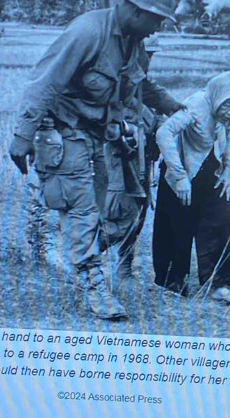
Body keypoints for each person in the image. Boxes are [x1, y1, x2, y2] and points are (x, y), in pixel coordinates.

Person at [9, 0, 184, 320]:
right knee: (83, 209)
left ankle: (73, 251)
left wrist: (175, 107)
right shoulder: (88, 31)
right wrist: (23, 135)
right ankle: (94, 287)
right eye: (156, 19)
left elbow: (141, 86)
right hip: (62, 130)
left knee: (122, 206)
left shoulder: (133, 43)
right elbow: (44, 83)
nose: (158, 29)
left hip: (99, 134)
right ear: (135, 9)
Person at [153, 71, 230, 309]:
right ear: (218, 96)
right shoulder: (195, 106)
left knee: (224, 221)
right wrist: (179, 177)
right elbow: (164, 133)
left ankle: (221, 284)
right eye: (228, 104)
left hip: (209, 171)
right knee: (178, 227)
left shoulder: (223, 113)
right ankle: (173, 284)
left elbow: (225, 133)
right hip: (180, 170)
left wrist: (227, 167)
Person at [102, 34, 166, 283]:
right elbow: (105, 122)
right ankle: (86, 261)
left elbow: (156, 115)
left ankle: (125, 266)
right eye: (145, 54)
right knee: (120, 214)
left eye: (150, 56)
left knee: (138, 215)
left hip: (143, 161)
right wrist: (128, 129)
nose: (147, 60)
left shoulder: (145, 88)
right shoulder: (113, 84)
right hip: (118, 159)